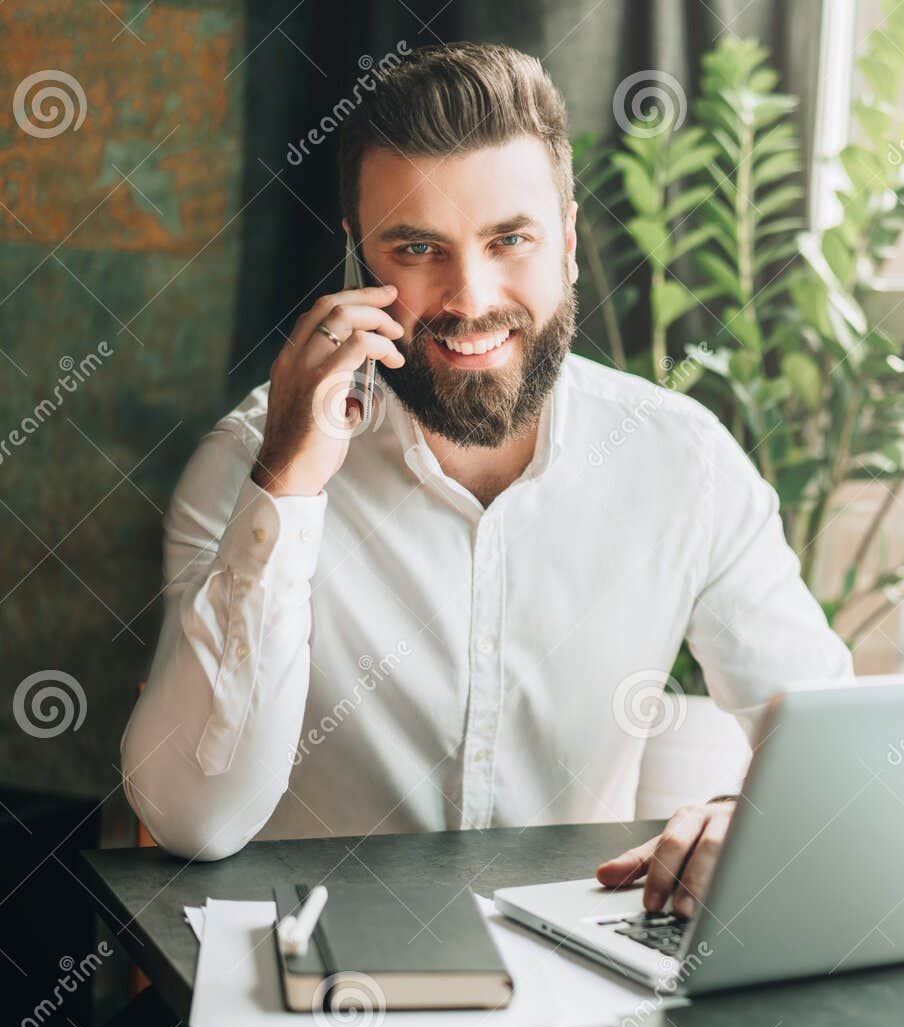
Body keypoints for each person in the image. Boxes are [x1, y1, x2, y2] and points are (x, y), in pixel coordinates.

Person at [120, 42, 851, 917]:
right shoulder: (250, 464)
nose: (469, 298)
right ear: (360, 263)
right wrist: (286, 488)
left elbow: (836, 753)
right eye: (418, 247)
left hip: (577, 1005)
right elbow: (195, 819)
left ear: (569, 245)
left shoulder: (684, 463)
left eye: (510, 240)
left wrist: (751, 814)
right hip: (323, 1004)